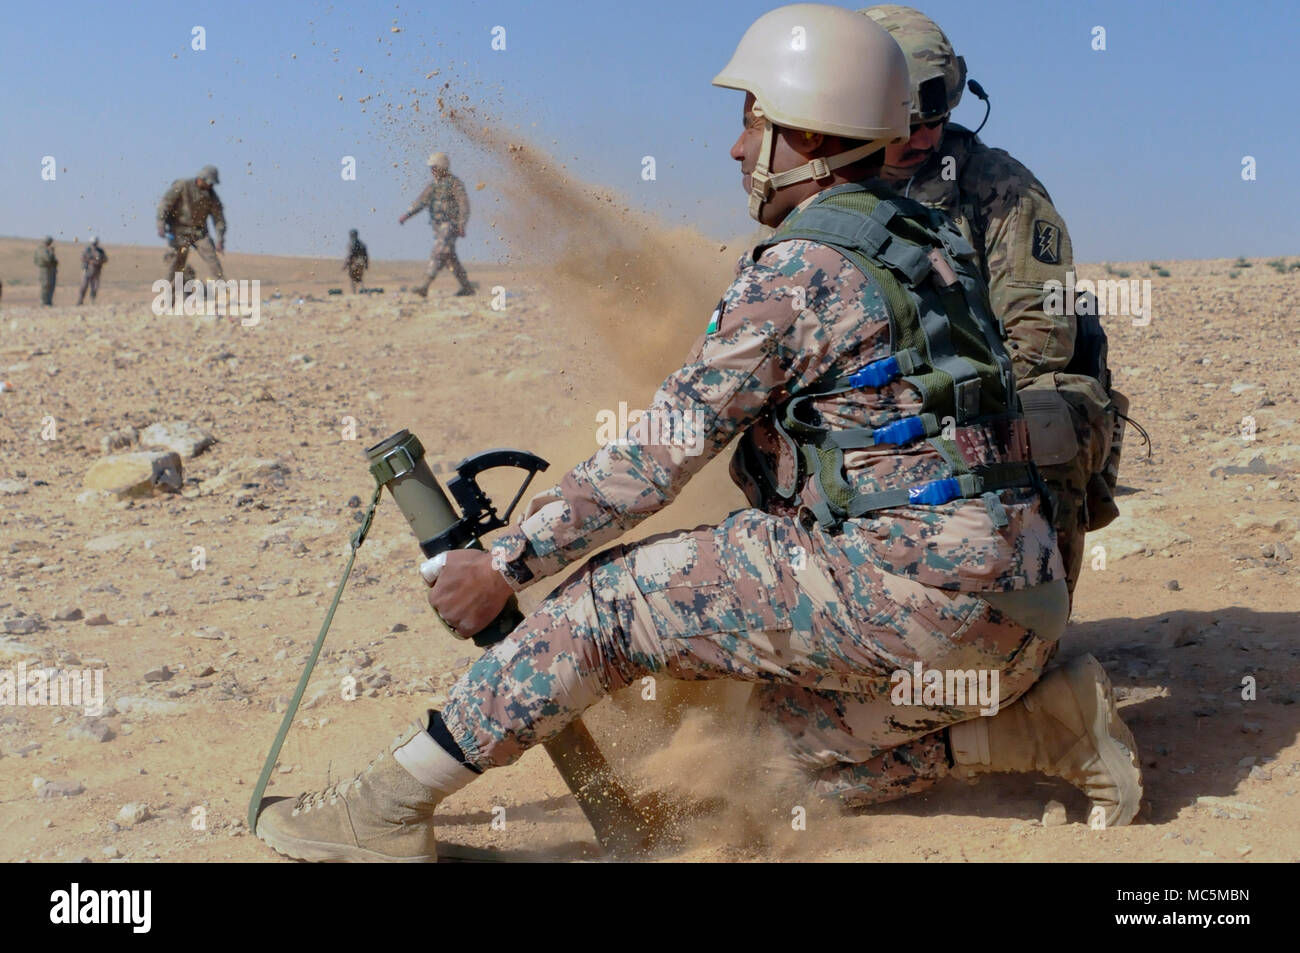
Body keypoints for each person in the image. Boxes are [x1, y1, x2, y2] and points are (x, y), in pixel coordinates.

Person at [255, 4, 1142, 863]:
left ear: (814, 137)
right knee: (749, 755)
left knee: (610, 604)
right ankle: (1034, 726)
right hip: (1019, 618)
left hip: (916, 604)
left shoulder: (803, 270)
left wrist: (505, 565)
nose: (734, 146)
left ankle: (387, 805)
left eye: (753, 122)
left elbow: (656, 456)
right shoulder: (937, 241)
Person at [862, 5, 1128, 603]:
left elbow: (1040, 343)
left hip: (974, 399)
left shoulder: (1003, 191)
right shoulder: (817, 183)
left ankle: (1031, 624)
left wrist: (931, 407)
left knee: (1051, 417)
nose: (925, 137)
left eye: (938, 118)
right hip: (860, 404)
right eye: (907, 123)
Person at [398, 152, 474, 297]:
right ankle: (467, 287)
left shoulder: (454, 184)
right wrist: (407, 215)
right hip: (437, 227)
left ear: (442, 167)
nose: (431, 170)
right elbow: (420, 202)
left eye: (434, 167)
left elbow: (464, 205)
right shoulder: (433, 186)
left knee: (438, 253)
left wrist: (462, 224)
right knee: (450, 259)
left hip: (450, 225)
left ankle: (424, 286)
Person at [157, 165, 226, 282]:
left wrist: (220, 239)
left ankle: (223, 290)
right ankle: (169, 295)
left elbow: (219, 219)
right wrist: (161, 223)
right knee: (176, 265)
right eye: (209, 182)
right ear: (201, 178)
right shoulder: (182, 186)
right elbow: (165, 204)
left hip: (199, 233)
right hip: (179, 231)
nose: (211, 186)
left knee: (212, 260)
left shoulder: (212, 196)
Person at [77, 236, 108, 305]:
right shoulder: (87, 250)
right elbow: (82, 258)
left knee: (94, 287)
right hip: (87, 270)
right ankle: (80, 300)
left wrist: (99, 262)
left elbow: (105, 259)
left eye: (95, 243)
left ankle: (92, 301)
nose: (94, 245)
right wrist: (90, 261)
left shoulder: (100, 251)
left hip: (96, 271)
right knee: (84, 286)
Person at [344, 229, 369, 293]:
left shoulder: (351, 244)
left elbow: (350, 255)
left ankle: (354, 292)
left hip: (354, 262)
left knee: (352, 278)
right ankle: (362, 290)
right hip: (361, 262)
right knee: (360, 277)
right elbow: (366, 255)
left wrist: (345, 265)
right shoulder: (362, 244)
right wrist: (366, 265)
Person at [34, 237, 57, 306]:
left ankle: (48, 302)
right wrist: (51, 251)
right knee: (45, 285)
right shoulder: (43, 249)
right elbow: (47, 258)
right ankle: (43, 302)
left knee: (50, 285)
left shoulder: (44, 248)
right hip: (45, 269)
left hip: (49, 268)